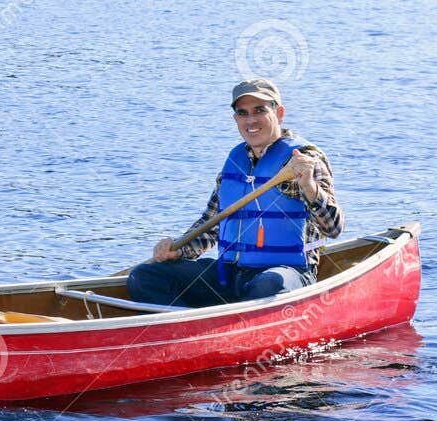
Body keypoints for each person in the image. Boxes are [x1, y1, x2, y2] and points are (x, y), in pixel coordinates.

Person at [126, 77, 343, 307]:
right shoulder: (236, 160)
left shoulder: (303, 158)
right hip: (229, 275)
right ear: (235, 119)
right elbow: (211, 225)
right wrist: (178, 250)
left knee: (269, 284)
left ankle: (233, 329)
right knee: (145, 276)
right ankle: (188, 331)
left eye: (259, 110)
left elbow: (334, 228)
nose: (251, 120)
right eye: (243, 113)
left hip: (287, 274)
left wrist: (309, 186)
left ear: (279, 113)